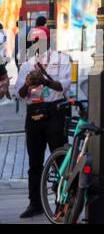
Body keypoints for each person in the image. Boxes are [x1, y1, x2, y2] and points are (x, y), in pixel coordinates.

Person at [14, 29, 72, 218]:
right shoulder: (26, 64)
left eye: (40, 40)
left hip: (55, 111)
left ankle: (63, 202)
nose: (36, 44)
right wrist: (29, 84)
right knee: (34, 162)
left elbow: (63, 86)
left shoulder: (61, 59)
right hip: (34, 114)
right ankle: (35, 203)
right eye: (33, 41)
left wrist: (44, 81)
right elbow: (20, 94)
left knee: (59, 160)